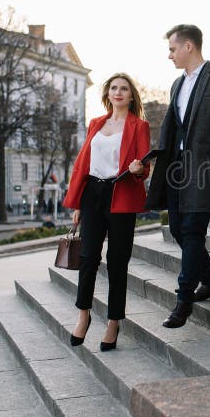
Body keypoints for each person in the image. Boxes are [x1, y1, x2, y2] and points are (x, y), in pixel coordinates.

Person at [146, 24, 210, 328]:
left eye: (173, 49)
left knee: (191, 231)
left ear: (189, 46)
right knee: (177, 229)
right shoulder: (177, 85)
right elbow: (171, 127)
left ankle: (183, 300)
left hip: (205, 169)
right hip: (177, 168)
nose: (170, 55)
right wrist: (153, 160)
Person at [62, 72, 151, 350]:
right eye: (113, 87)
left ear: (131, 95)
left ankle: (113, 322)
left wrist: (139, 170)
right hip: (92, 195)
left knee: (117, 262)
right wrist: (77, 204)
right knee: (87, 258)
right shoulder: (96, 123)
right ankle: (83, 316)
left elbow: (143, 166)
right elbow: (83, 164)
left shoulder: (139, 126)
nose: (118, 92)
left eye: (124, 88)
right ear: (107, 93)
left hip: (121, 194)